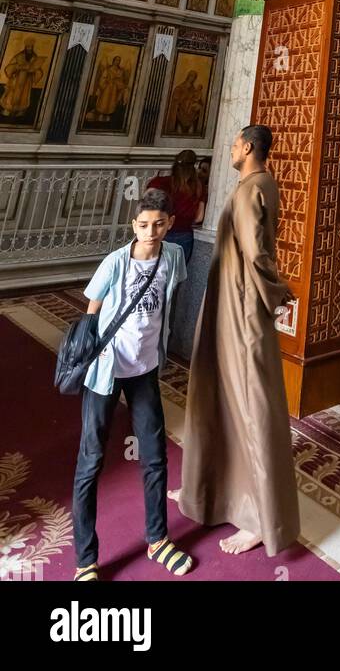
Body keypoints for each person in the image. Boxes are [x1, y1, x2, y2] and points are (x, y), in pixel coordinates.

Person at [170, 124, 300, 556]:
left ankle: (262, 517)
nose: (230, 148)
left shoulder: (250, 190)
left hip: (242, 308)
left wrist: (277, 293)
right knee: (221, 395)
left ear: (246, 147)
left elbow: (257, 251)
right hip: (231, 302)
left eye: (233, 143)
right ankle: (207, 488)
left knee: (250, 403)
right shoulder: (258, 183)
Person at [72, 189, 192, 581]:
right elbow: (92, 310)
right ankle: (86, 559)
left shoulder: (173, 257)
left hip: (144, 370)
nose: (151, 232)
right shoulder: (115, 262)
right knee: (91, 462)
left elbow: (166, 302)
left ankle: (157, 538)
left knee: (155, 456)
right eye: (143, 225)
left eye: (159, 224)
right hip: (106, 371)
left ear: (170, 223)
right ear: (133, 225)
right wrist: (95, 349)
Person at [146, 150, 205, 265]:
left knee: (153, 275)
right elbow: (199, 218)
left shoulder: (159, 183)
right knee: (175, 277)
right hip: (184, 236)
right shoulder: (198, 188)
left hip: (159, 233)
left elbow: (145, 207)